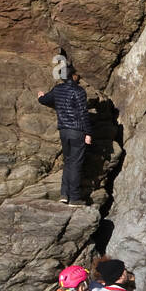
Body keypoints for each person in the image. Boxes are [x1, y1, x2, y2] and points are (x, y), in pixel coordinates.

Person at [37, 68, 92, 206]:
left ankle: (64, 195)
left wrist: (40, 97)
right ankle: (74, 198)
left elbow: (44, 100)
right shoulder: (79, 91)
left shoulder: (57, 89)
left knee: (68, 162)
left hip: (63, 131)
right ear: (73, 76)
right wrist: (89, 133)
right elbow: (83, 113)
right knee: (75, 164)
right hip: (77, 131)